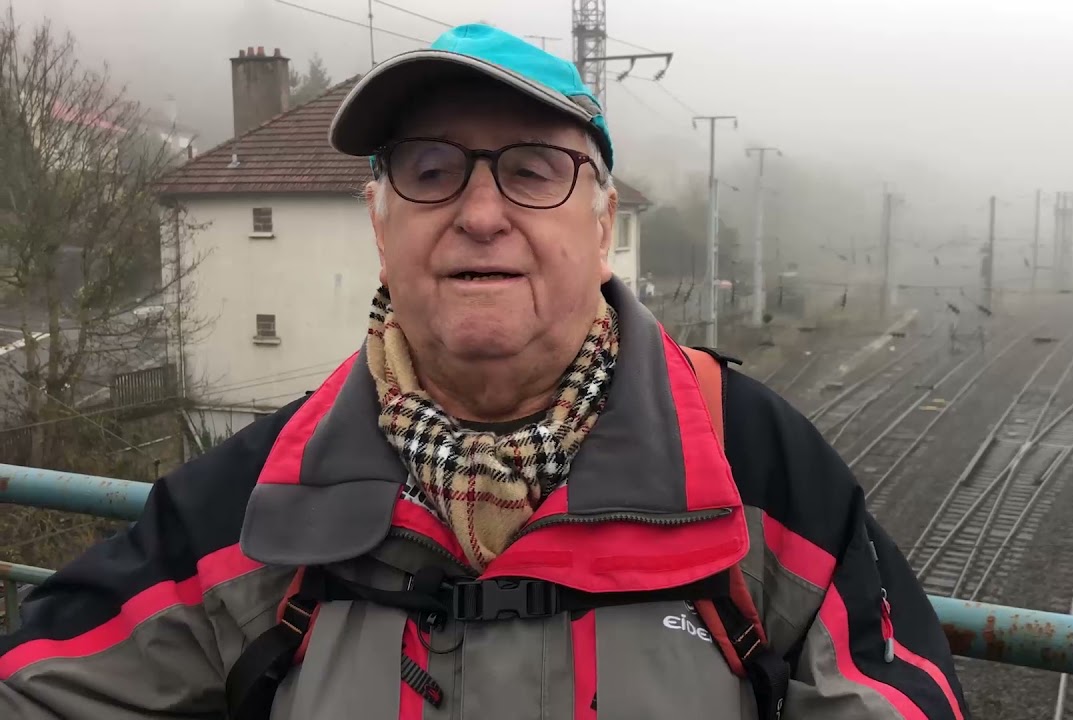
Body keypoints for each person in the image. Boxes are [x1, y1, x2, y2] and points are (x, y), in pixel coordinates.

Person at [0, 24, 969, 720]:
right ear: (382, 227)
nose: (477, 212)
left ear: (599, 227)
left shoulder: (751, 463)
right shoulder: (256, 494)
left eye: (532, 170)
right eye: (428, 169)